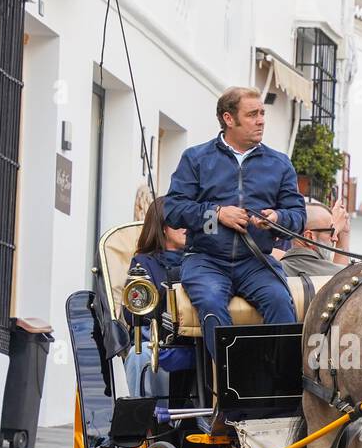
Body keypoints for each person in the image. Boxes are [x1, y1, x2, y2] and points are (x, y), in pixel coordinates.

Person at [164, 86, 304, 358]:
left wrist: (276, 219)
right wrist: (216, 214)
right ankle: (232, 387)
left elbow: (297, 215)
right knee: (212, 304)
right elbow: (173, 209)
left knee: (280, 303)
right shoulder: (196, 158)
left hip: (256, 261)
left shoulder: (280, 164)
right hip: (206, 259)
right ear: (229, 119)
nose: (261, 120)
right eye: (253, 114)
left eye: (262, 113)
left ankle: (277, 387)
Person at [125, 196, 188, 399]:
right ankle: (145, 423)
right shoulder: (143, 263)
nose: (186, 226)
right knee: (140, 353)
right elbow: (132, 312)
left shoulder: (202, 262)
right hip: (161, 343)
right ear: (162, 227)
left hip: (196, 345)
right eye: (179, 220)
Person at [280, 199, 350, 277]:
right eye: (331, 232)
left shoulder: (272, 270)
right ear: (309, 237)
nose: (335, 239)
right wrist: (344, 235)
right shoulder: (341, 275)